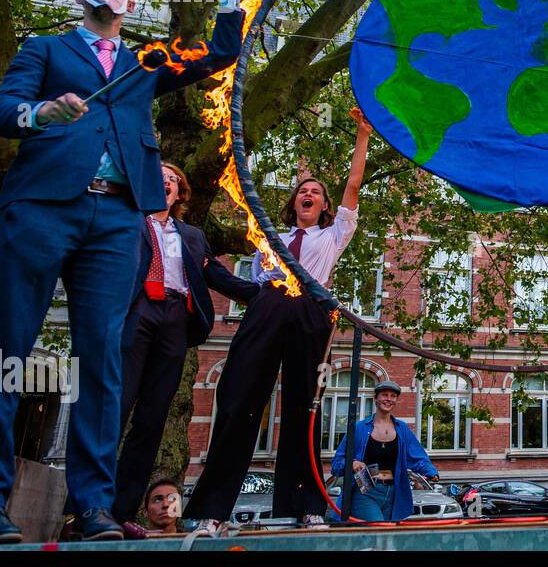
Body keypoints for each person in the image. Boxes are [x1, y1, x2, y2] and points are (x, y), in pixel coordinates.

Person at [0, 0, 245, 544]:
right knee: (4, 355)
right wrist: (42, 113)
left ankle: (92, 508)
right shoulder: (44, 49)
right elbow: (0, 111)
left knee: (102, 361)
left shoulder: (143, 64)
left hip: (119, 220)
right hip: (44, 208)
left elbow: (223, 50)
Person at [185, 109, 373, 535]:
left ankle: (305, 505)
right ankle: (214, 510)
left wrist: (362, 134)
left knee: (304, 406)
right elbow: (255, 285)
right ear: (294, 202)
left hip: (310, 310)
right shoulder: (274, 239)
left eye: (315, 192)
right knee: (239, 400)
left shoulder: (333, 235)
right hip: (269, 307)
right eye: (302, 190)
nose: (308, 194)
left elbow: (354, 184)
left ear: (325, 206)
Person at [112, 162, 260, 526]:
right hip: (138, 312)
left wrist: (271, 294)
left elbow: (218, 276)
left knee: (152, 419)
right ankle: (85, 507)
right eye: (158, 176)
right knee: (114, 409)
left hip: (176, 320)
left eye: (173, 179)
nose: (165, 181)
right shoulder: (128, 221)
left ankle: (121, 512)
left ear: (180, 193)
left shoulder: (192, 236)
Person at [329, 381, 439, 522]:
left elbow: (418, 457)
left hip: (393, 493)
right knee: (379, 532)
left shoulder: (402, 429)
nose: (389, 399)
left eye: (393, 396)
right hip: (366, 490)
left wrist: (431, 472)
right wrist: (352, 463)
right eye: (384, 395)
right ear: (375, 399)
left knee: (386, 539)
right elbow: (337, 463)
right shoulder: (360, 428)